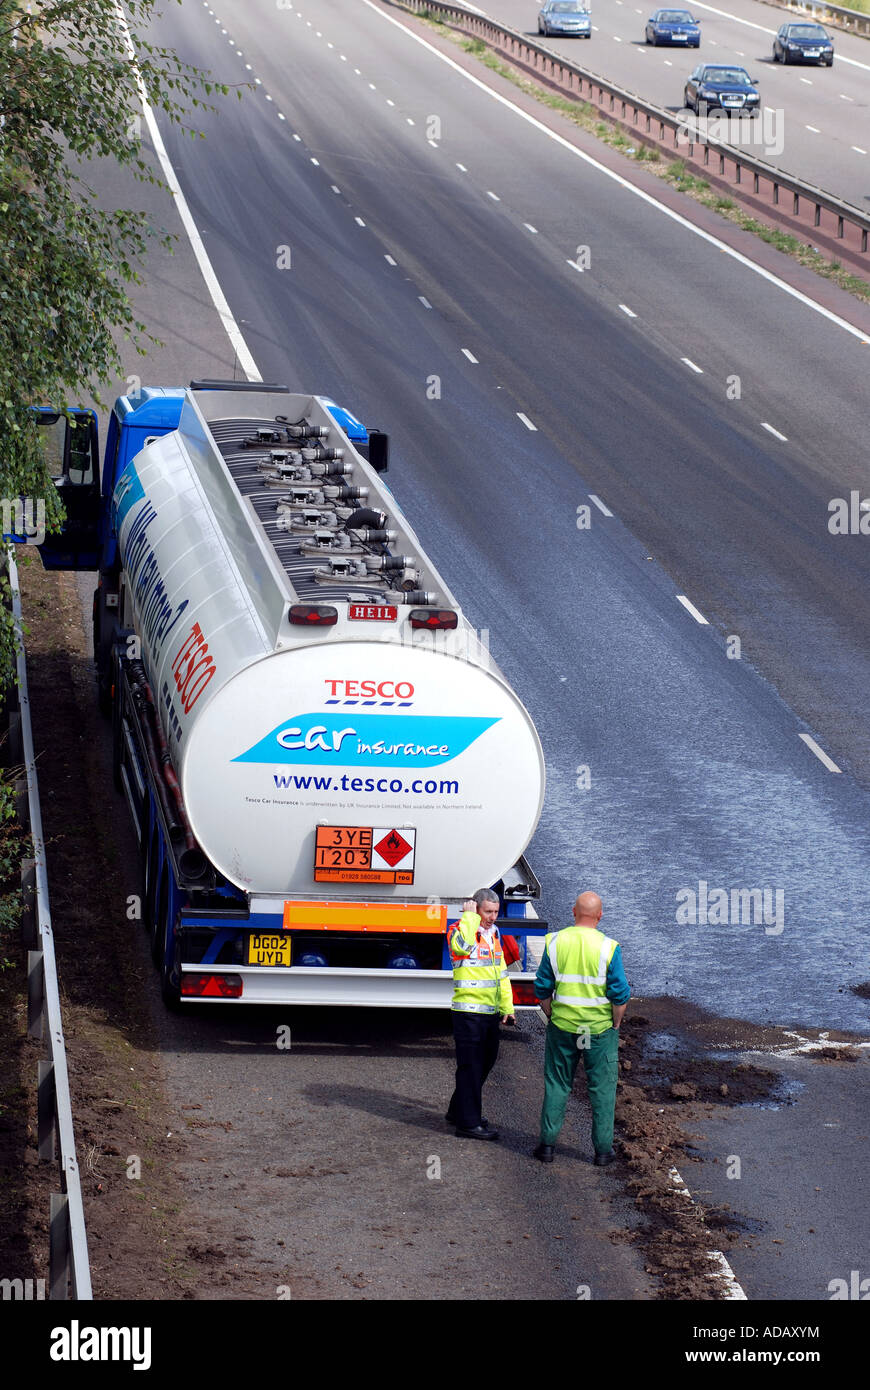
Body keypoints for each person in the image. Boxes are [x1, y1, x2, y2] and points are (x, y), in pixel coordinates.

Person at [532, 891, 630, 1166]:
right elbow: (620, 994)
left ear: (573, 911)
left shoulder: (555, 942)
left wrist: (551, 1012)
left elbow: (541, 987)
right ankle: (602, 1152)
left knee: (557, 1084)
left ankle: (547, 1147)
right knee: (601, 1089)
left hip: (563, 1027)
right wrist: (616, 1022)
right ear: (600, 916)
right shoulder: (609, 947)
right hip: (598, 1031)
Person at [445, 889, 515, 1140]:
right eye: (487, 911)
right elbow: (461, 948)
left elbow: (501, 972)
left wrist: (508, 1007)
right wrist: (469, 917)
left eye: (496, 912)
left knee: (484, 1062)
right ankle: (468, 1123)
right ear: (476, 909)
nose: (492, 917)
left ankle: (459, 1111)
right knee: (471, 1067)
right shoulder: (459, 929)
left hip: (489, 1013)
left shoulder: (494, 933)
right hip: (468, 1013)